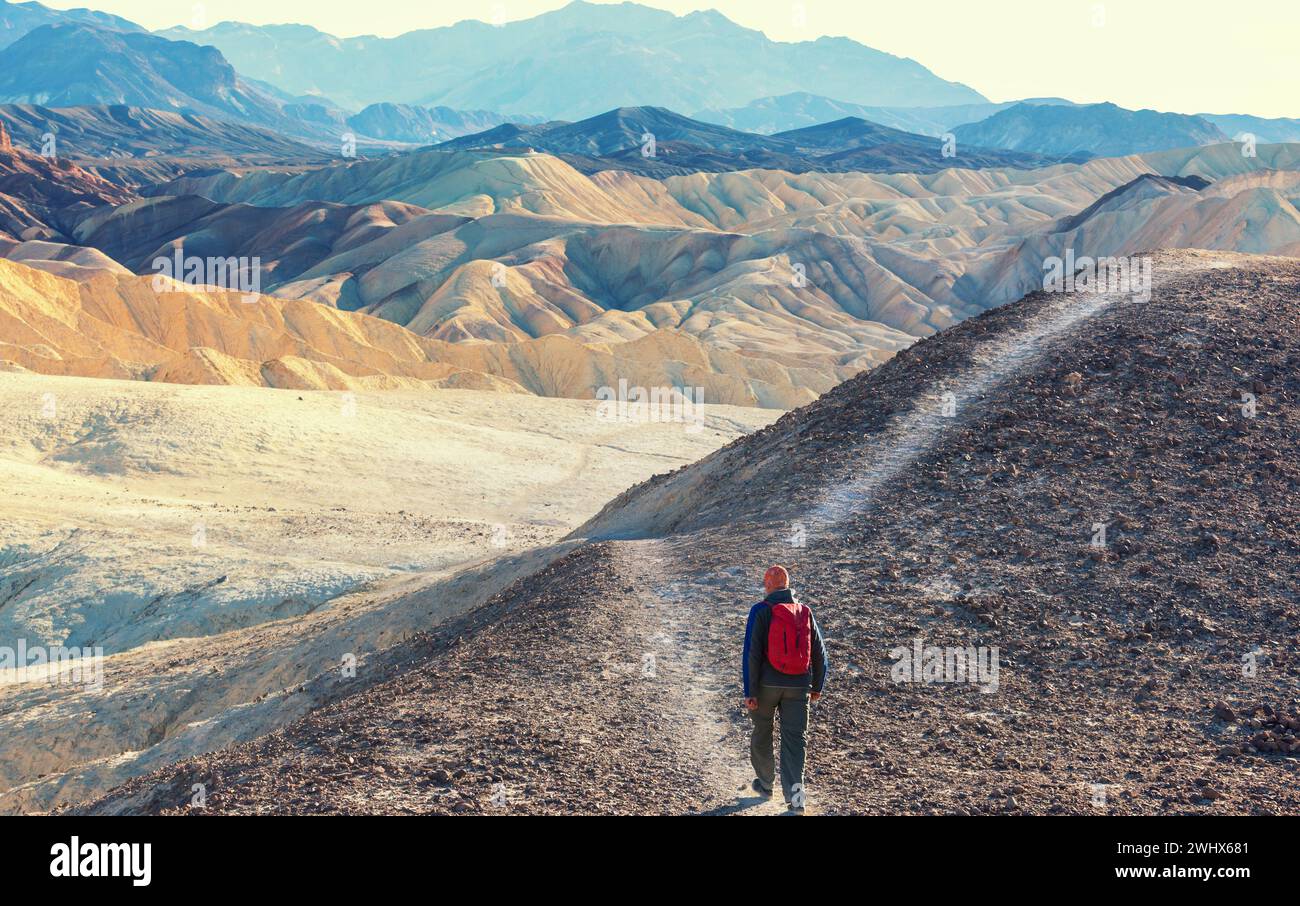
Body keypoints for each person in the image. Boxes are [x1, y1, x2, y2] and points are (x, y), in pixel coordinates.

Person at [742, 565, 828, 812]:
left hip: (766, 685)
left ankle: (766, 785)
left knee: (762, 731)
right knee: (795, 741)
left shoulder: (760, 610)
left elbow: (752, 653)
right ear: (787, 585)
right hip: (800, 686)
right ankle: (797, 800)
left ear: (768, 585)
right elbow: (820, 653)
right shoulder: (805, 611)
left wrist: (750, 691)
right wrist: (817, 685)